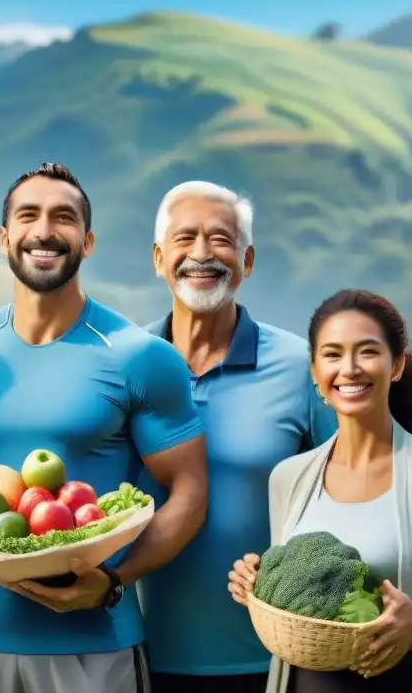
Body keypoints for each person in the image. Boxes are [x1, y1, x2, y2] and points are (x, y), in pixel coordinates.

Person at [0, 162, 209, 693]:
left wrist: (113, 582)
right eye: (28, 216)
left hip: (97, 644)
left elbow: (190, 493)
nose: (45, 231)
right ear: (5, 238)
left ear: (87, 240)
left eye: (64, 217)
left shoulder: (139, 357)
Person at [228, 288, 412, 693]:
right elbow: (296, 593)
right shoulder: (289, 477)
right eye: (333, 354)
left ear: (396, 366)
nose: (350, 368)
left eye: (367, 351)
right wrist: (254, 586)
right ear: (314, 371)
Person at [136, 180, 338, 693]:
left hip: (275, 660)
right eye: (184, 239)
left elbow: (347, 493)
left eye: (221, 239)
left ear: (247, 261)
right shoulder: (126, 368)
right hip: (135, 656)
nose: (201, 253)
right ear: (159, 258)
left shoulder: (301, 368)